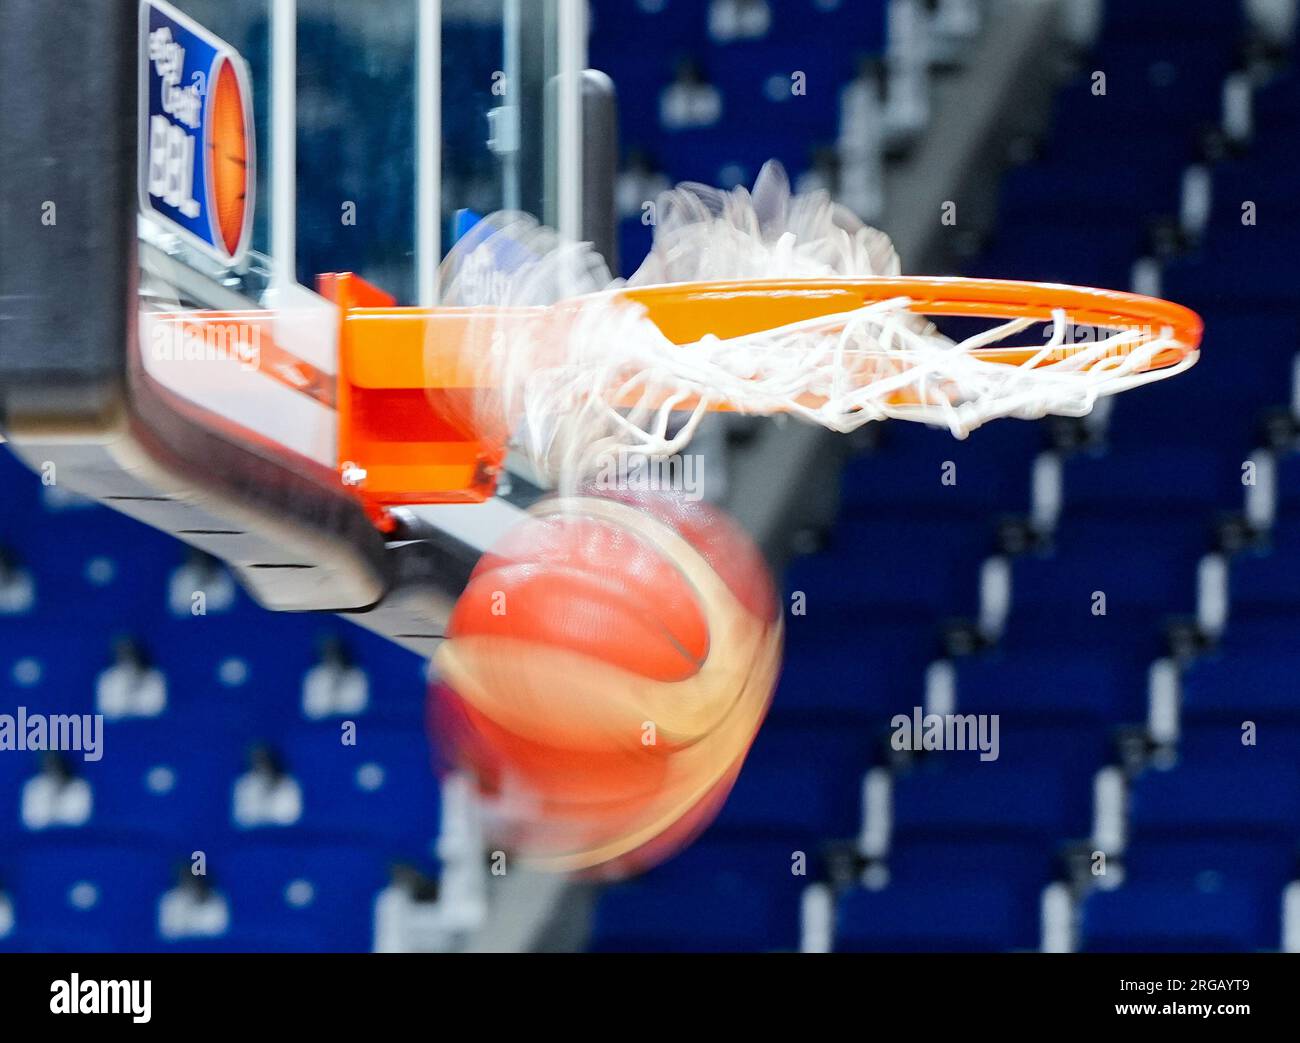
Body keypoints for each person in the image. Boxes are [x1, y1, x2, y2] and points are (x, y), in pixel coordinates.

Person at [231, 744, 302, 828]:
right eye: (257, 760)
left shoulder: (288, 783)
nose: (261, 764)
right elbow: (243, 818)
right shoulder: (244, 784)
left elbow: (291, 816)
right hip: (253, 833)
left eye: (264, 759)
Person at [96, 636, 167, 719]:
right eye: (122, 655)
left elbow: (156, 709)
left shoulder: (155, 677)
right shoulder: (107, 679)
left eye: (131, 654)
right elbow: (107, 711)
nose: (127, 659)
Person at [301, 635, 369, 720]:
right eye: (328, 652)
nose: (332, 656)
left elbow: (359, 707)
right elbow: (312, 710)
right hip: (322, 726)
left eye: (335, 652)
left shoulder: (356, 675)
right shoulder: (314, 676)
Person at [21, 752, 92, 830]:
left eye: (56, 764)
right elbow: (31, 821)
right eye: (49, 764)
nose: (53, 769)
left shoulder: (80, 786)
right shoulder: (33, 787)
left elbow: (80, 819)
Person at [158, 863, 230, 940]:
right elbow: (169, 933)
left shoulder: (218, 900)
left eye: (195, 880)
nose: (191, 884)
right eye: (187, 879)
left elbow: (219, 932)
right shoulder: (170, 901)